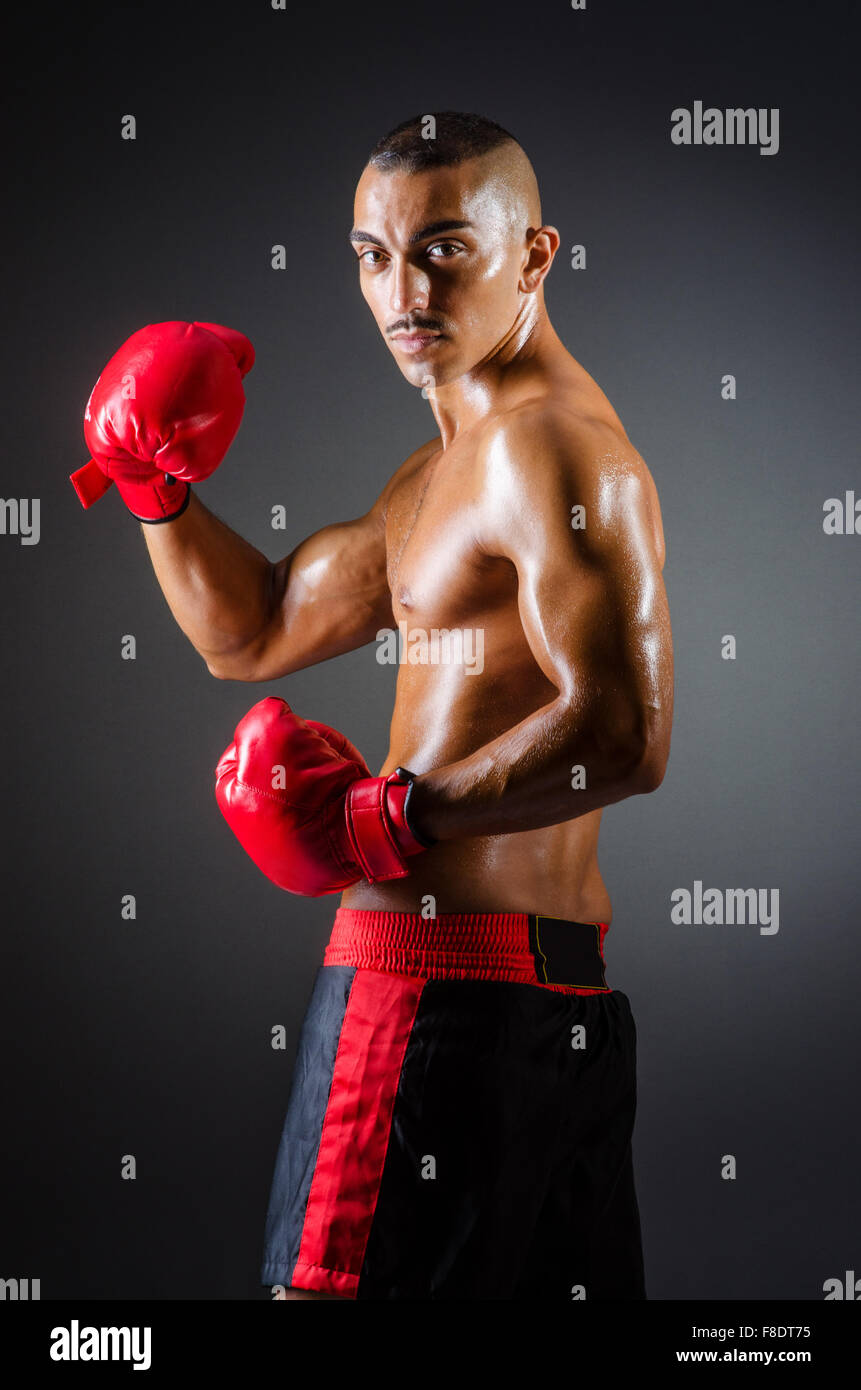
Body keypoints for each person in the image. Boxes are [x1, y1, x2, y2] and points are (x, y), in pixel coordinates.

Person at [74, 111, 673, 1300]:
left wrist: (378, 827)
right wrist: (154, 490)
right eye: (372, 255)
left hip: (432, 999)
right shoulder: (439, 470)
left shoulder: (551, 451)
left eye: (445, 249)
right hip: (552, 1017)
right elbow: (253, 633)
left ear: (536, 254)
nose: (405, 291)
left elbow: (621, 734)